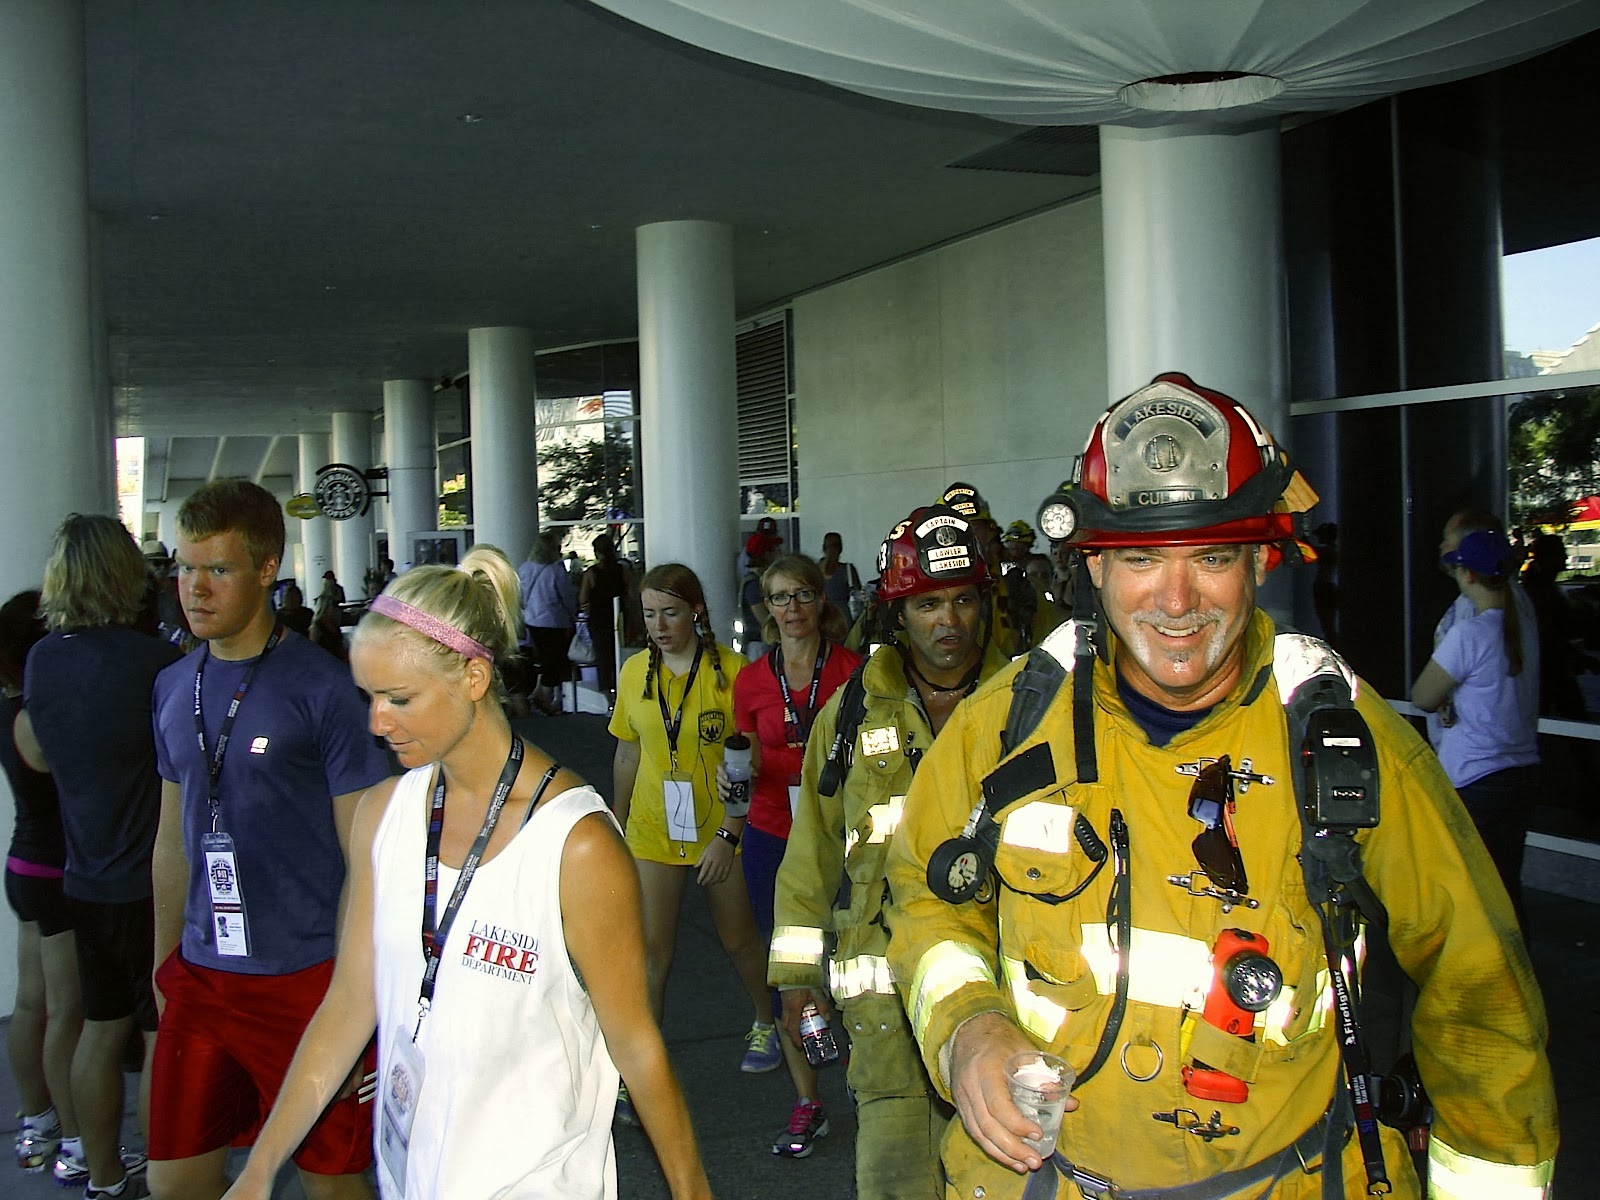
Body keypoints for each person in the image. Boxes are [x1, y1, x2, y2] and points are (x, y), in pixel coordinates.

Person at [886, 374, 1558, 1200]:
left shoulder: (1342, 740)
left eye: (1212, 557)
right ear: (1094, 564)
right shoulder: (1006, 726)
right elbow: (926, 897)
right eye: (1140, 558)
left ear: (1262, 559)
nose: (1176, 601)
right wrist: (969, 1028)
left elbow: (1480, 995)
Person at [220, 547, 712, 1200]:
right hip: (414, 1178)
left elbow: (635, 1042)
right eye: (370, 697)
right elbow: (350, 1002)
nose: (377, 722)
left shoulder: (575, 845)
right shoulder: (383, 814)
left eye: (400, 698)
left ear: (474, 678)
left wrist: (692, 1190)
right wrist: (259, 1170)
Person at [147, 479, 392, 1200]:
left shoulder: (324, 689)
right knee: (173, 1181)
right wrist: (162, 967)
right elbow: (171, 841)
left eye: (218, 569)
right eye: (185, 568)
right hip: (202, 975)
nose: (194, 589)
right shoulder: (172, 685)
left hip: (307, 979)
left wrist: (354, 999)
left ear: (265, 569)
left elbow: (366, 860)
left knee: (332, 1183)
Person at [771, 504, 1008, 1199]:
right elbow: (812, 853)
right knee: (892, 1180)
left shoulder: (1028, 709)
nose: (948, 621)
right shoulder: (850, 712)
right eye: (927, 604)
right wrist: (795, 977)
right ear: (897, 614)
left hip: (1000, 998)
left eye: (963, 600)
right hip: (884, 1006)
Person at [26, 515, 187, 1199]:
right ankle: (164, 1170)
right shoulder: (155, 663)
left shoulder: (42, 660)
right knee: (159, 1033)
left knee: (99, 1028)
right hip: (150, 880)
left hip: (82, 875)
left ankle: (102, 1174)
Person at [608, 564, 773, 1119]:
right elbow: (628, 752)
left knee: (739, 940)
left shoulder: (732, 672)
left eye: (671, 613)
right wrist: (616, 822)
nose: (659, 625)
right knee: (651, 953)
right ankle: (639, 1067)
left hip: (718, 832)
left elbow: (749, 761)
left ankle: (766, 1021)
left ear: (696, 612)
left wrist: (731, 831)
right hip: (652, 829)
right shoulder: (635, 672)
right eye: (650, 614)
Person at [718, 554, 862, 1158]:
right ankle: (808, 1101)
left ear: (820, 601)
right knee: (789, 966)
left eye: (803, 594)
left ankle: (872, 1087)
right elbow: (745, 758)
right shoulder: (753, 679)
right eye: (780, 598)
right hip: (773, 835)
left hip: (844, 836)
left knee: (857, 963)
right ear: (767, 608)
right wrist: (734, 787)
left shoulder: (854, 670)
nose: (793, 608)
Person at [1412, 527, 1541, 925]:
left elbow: (1423, 696)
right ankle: (1517, 962)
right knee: (1506, 889)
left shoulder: (1469, 633)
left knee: (1472, 897)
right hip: (1521, 775)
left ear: (1467, 573)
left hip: (1474, 779)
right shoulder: (1523, 627)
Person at [1, 590, 83, 1179]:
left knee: (31, 1004)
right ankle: (79, 1143)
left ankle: (38, 1123)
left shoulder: (8, 711)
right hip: (56, 873)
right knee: (68, 1013)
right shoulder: (39, 718)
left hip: (24, 867)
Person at [940, 482, 1059, 656]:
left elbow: (1050, 641)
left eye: (975, 527)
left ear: (989, 532)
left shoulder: (1018, 584)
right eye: (954, 529)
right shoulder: (922, 594)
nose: (967, 536)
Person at [517, 528, 578, 715]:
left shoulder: (525, 568)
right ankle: (543, 694)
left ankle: (538, 692)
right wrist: (572, 615)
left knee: (541, 659)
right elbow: (567, 596)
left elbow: (519, 595)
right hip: (554, 622)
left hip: (530, 620)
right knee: (555, 661)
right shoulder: (556, 570)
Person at [579, 534, 627, 702]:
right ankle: (623, 691)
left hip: (599, 620)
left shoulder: (591, 573)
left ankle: (609, 699)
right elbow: (631, 595)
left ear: (596, 552)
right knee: (621, 656)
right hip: (620, 618)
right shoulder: (622, 571)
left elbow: (583, 598)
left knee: (603, 658)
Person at [737, 530, 782, 659]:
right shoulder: (753, 583)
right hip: (760, 645)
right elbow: (764, 619)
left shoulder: (762, 579)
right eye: (776, 550)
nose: (779, 553)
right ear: (766, 554)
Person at [818, 532, 864, 622]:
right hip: (843, 618)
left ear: (823, 548)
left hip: (821, 617)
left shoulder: (814, 569)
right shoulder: (848, 570)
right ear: (841, 549)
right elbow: (858, 596)